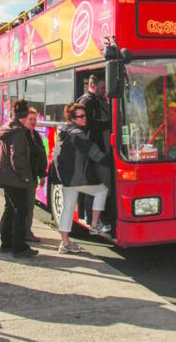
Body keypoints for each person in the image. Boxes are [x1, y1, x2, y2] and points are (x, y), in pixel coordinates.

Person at [52, 103, 111, 254]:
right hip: (76, 179)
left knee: (68, 209)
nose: (85, 119)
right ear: (72, 118)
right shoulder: (78, 134)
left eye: (85, 116)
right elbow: (95, 154)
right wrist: (112, 159)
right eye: (80, 116)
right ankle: (95, 224)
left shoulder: (64, 132)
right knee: (102, 191)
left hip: (65, 179)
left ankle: (65, 243)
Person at [0, 99, 38, 258]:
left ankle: (6, 242)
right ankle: (19, 247)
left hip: (5, 176)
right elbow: (16, 157)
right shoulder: (19, 132)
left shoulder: (9, 127)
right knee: (21, 211)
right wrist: (24, 176)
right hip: (14, 178)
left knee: (10, 209)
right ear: (25, 114)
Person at [77, 74, 111, 223]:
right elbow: (88, 123)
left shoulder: (95, 100)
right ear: (93, 86)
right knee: (95, 185)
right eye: (102, 88)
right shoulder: (86, 101)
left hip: (95, 148)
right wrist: (107, 123)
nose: (104, 91)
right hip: (91, 150)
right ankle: (92, 219)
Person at [24, 107, 47, 242]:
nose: (33, 122)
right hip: (25, 177)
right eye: (30, 119)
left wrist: (42, 174)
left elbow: (42, 156)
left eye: (34, 119)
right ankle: (24, 233)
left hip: (33, 175)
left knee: (30, 206)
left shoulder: (36, 135)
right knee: (25, 207)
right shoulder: (23, 135)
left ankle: (27, 231)